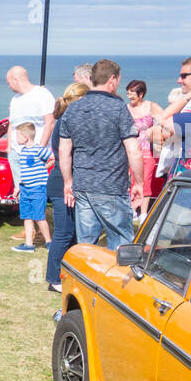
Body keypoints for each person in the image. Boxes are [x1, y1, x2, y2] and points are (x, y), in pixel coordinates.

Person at [58, 58, 142, 249]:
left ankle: (87, 278)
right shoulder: (119, 108)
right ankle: (117, 278)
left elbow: (64, 151)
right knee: (120, 244)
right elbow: (133, 150)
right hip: (112, 186)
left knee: (86, 246)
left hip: (83, 185)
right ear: (112, 79)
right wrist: (139, 183)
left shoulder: (73, 109)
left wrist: (68, 182)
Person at [45, 82, 89, 292]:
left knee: (70, 232)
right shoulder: (66, 122)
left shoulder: (64, 120)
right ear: (80, 100)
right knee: (63, 232)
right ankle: (54, 278)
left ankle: (64, 273)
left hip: (64, 180)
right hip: (61, 181)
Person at [5, 66, 55, 194]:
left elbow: (49, 121)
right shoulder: (15, 99)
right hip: (16, 153)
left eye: (9, 83)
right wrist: (10, 147)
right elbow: (12, 124)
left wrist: (39, 149)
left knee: (35, 191)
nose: (9, 86)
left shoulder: (42, 94)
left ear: (16, 80)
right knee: (21, 191)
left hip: (33, 151)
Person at [125, 80, 163, 221]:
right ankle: (133, 209)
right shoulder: (126, 108)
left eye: (132, 93)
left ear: (141, 94)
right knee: (132, 181)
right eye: (128, 93)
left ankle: (144, 212)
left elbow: (164, 121)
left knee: (146, 180)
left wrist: (157, 130)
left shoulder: (151, 106)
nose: (129, 96)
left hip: (148, 150)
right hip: (130, 150)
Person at [11, 122, 52, 253]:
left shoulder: (39, 149)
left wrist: (43, 168)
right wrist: (18, 187)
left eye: (18, 136)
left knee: (39, 217)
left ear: (26, 137)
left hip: (37, 189)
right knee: (27, 217)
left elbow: (54, 158)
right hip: (25, 189)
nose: (16, 139)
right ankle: (29, 245)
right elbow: (25, 172)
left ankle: (49, 243)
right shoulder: (23, 151)